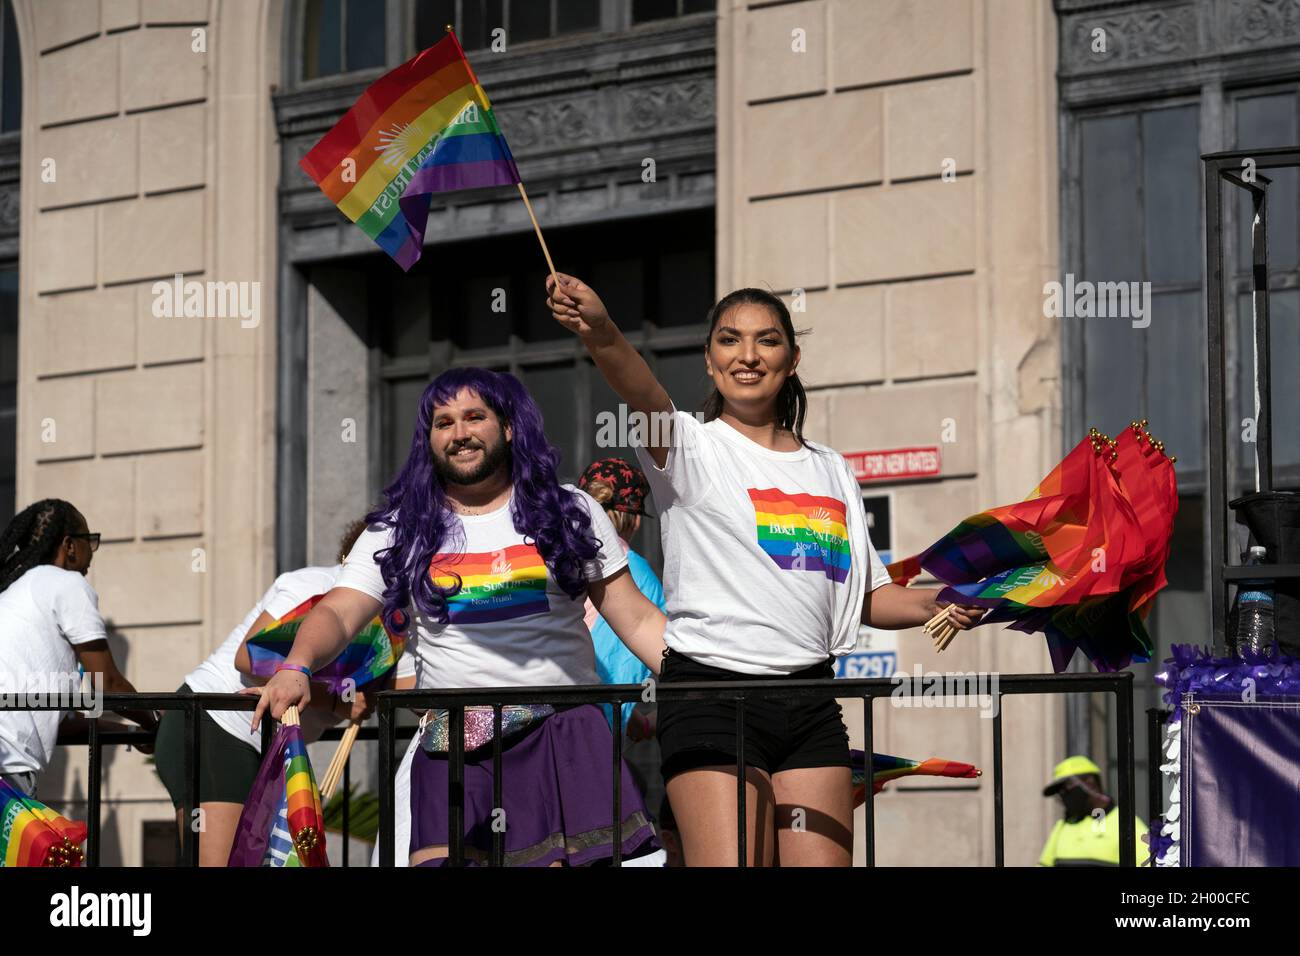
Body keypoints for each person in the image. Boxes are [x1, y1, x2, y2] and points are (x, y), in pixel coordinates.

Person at [546, 274, 982, 866]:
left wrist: (952, 601)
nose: (747, 356)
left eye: (767, 341)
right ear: (708, 358)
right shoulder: (688, 447)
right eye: (729, 340)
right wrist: (601, 332)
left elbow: (870, 597)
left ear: (793, 358)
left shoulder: (832, 469)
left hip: (811, 703)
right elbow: (642, 393)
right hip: (710, 698)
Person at [250, 367, 669, 866]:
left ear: (510, 426)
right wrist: (296, 666)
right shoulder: (401, 527)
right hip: (452, 744)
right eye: (443, 422)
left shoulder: (569, 510)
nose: (460, 433)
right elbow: (340, 612)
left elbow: (638, 621)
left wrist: (717, 676)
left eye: (475, 417)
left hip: (559, 737)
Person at [153, 519, 412, 867]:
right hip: (217, 725)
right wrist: (335, 700)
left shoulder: (398, 618)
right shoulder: (318, 585)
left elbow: (409, 686)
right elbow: (249, 655)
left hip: (262, 745)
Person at [0, 499, 157, 797]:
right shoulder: (66, 583)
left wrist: (135, 732)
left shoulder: (18, 592)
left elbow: (62, 720)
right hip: (9, 767)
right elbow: (106, 684)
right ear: (70, 545)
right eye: (90, 541)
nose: (91, 555)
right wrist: (156, 722)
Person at [577, 457, 663, 736]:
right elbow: (621, 669)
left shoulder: (551, 552)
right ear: (635, 520)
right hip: (590, 731)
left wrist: (639, 723)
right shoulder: (637, 574)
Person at [1038, 755, 1149, 867]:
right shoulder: (1062, 826)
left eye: (1066, 788)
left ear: (1089, 782)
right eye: (1059, 792)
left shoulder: (1126, 824)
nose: (1063, 795)